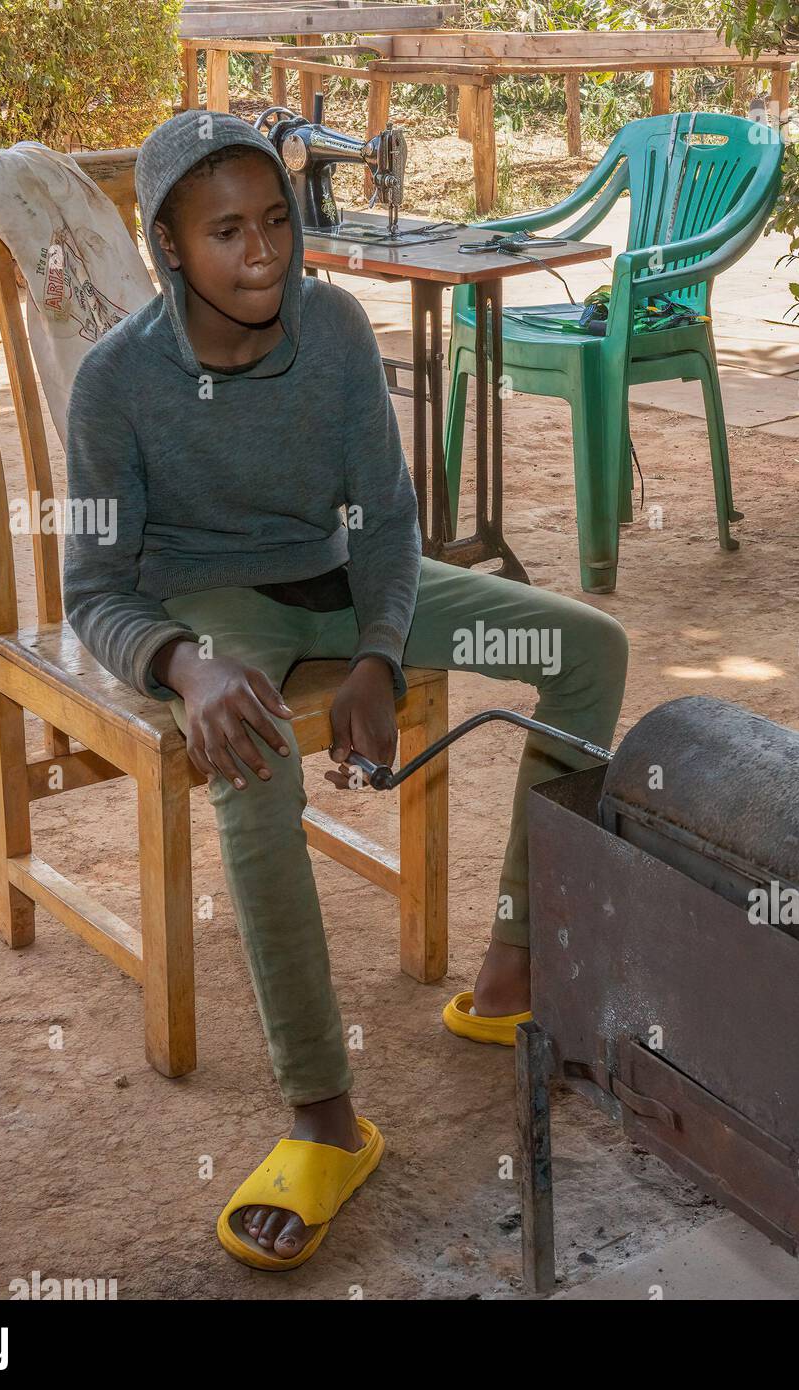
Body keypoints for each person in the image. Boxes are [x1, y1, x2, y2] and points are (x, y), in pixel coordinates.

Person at [63, 110, 628, 1270]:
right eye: (225, 232)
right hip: (218, 606)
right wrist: (184, 662)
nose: (261, 252)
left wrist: (379, 649)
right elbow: (92, 587)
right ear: (168, 246)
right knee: (249, 755)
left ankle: (509, 967)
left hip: (353, 579)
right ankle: (323, 1115)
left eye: (274, 220)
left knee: (588, 650)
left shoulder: (333, 331)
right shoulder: (116, 382)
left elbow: (385, 515)